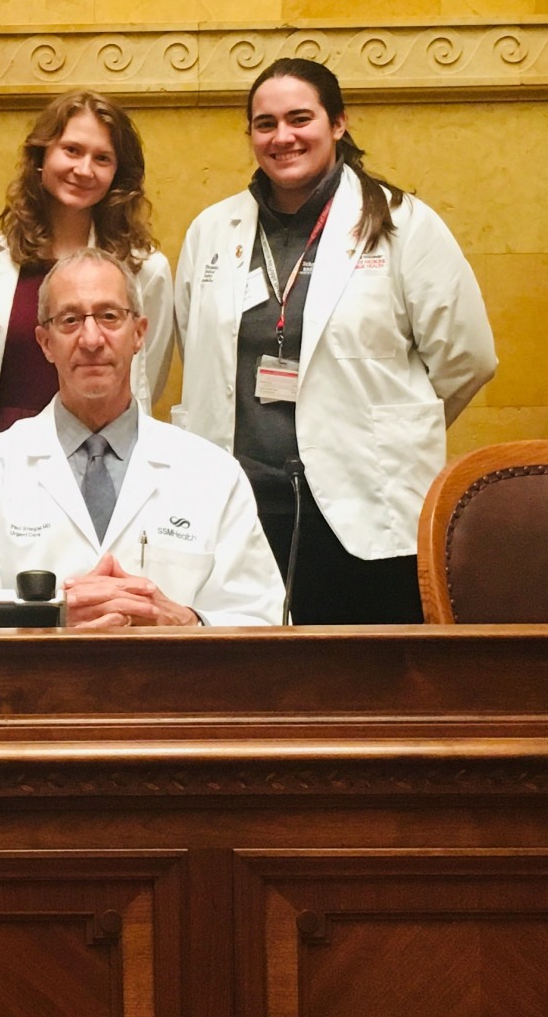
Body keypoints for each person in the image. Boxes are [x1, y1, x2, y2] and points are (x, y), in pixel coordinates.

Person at [172, 58, 496, 624]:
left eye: (301, 119)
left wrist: (389, 427)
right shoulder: (211, 231)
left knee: (364, 682)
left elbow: (467, 356)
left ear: (338, 123)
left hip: (360, 501)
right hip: (241, 499)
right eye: (265, 124)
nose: (283, 137)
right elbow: (192, 344)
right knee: (247, 682)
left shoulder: (402, 223)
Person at [0, 250, 282, 627]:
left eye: (109, 316)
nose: (91, 339)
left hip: (173, 684)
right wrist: (49, 621)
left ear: (139, 333)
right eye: (70, 320)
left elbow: (265, 623)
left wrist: (186, 624)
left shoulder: (212, 474)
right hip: (30, 686)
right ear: (45, 342)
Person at [0, 90, 174, 430]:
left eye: (102, 159)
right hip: (5, 450)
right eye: (71, 150)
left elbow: (146, 374)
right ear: (41, 156)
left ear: (118, 174)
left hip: (103, 448)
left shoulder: (145, 270)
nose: (84, 170)